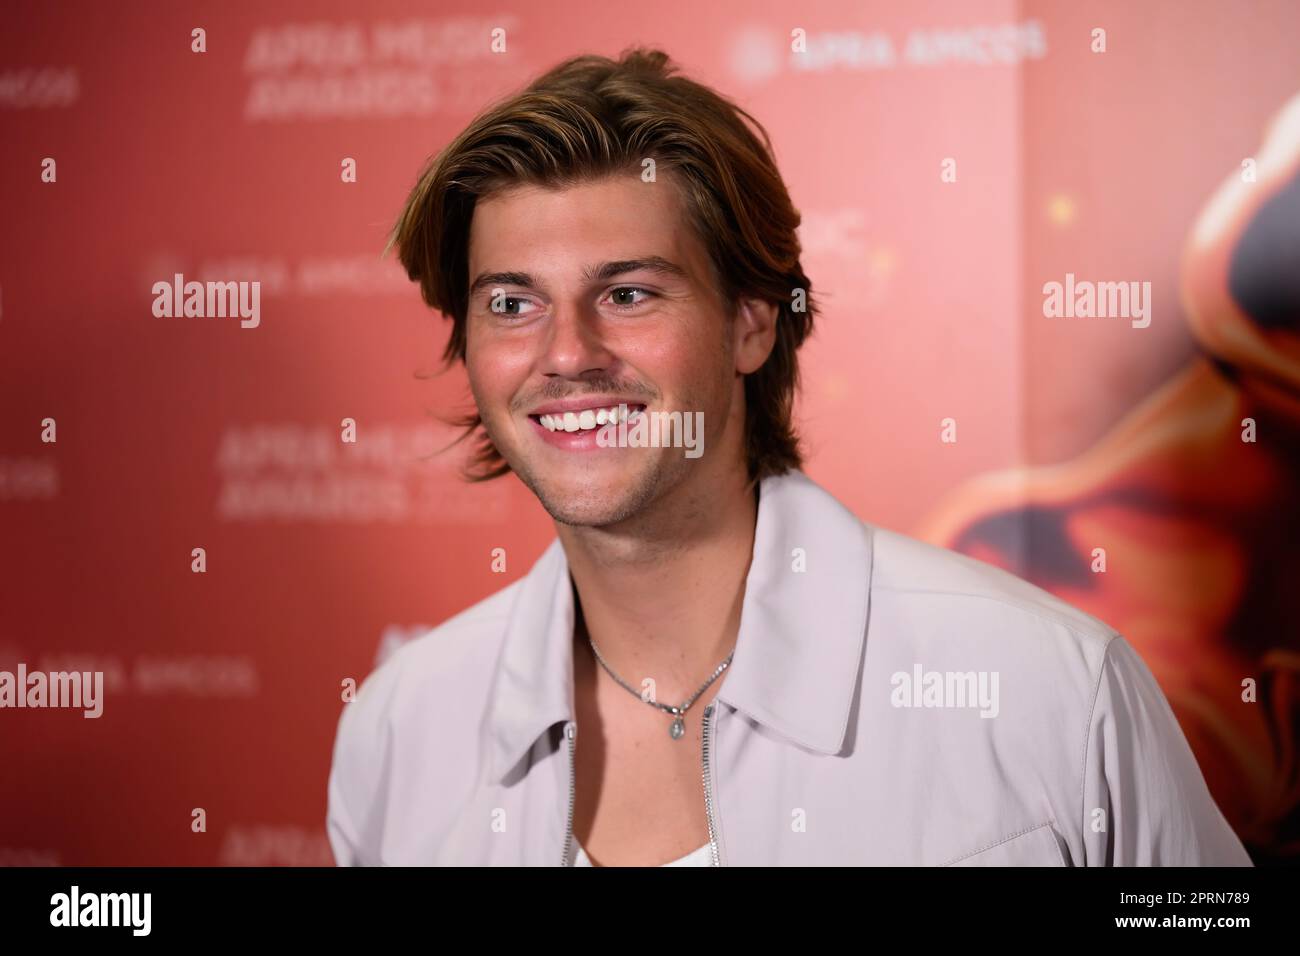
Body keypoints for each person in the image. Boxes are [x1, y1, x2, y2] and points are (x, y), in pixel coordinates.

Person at [325, 47, 1251, 867]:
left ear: (752, 323)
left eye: (631, 293)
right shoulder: (399, 733)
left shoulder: (1049, 690)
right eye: (513, 304)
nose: (567, 354)